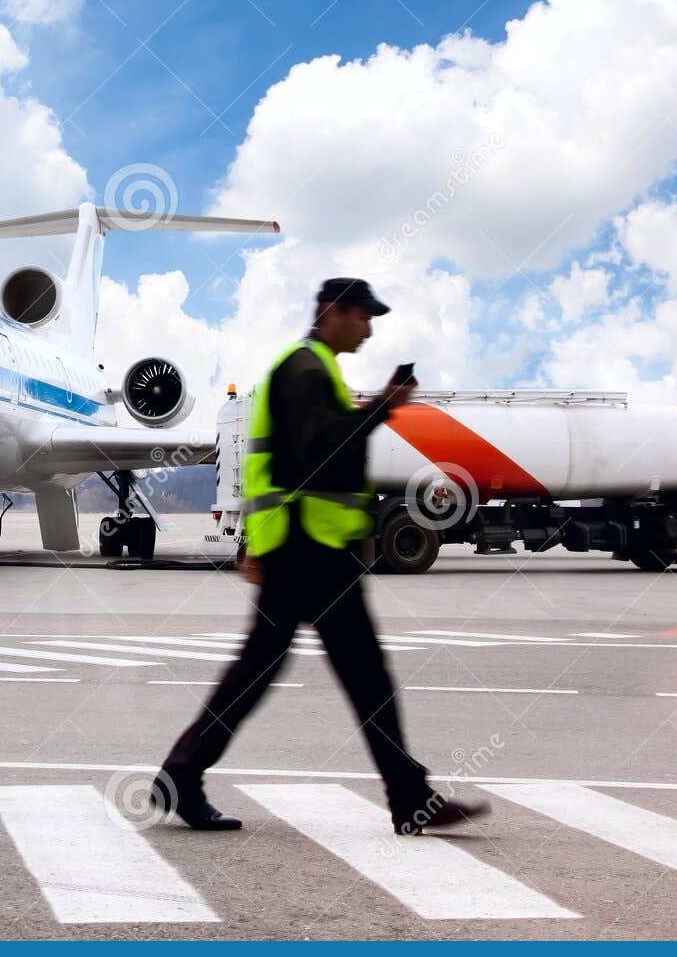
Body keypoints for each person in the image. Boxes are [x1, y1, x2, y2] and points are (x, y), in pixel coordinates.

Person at [149, 277, 490, 835]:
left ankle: (181, 776)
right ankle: (409, 798)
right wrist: (383, 407)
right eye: (363, 316)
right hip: (309, 552)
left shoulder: (313, 370)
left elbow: (311, 451)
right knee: (359, 675)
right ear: (333, 312)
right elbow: (319, 452)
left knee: (274, 671)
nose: (369, 328)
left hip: (304, 549)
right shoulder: (305, 370)